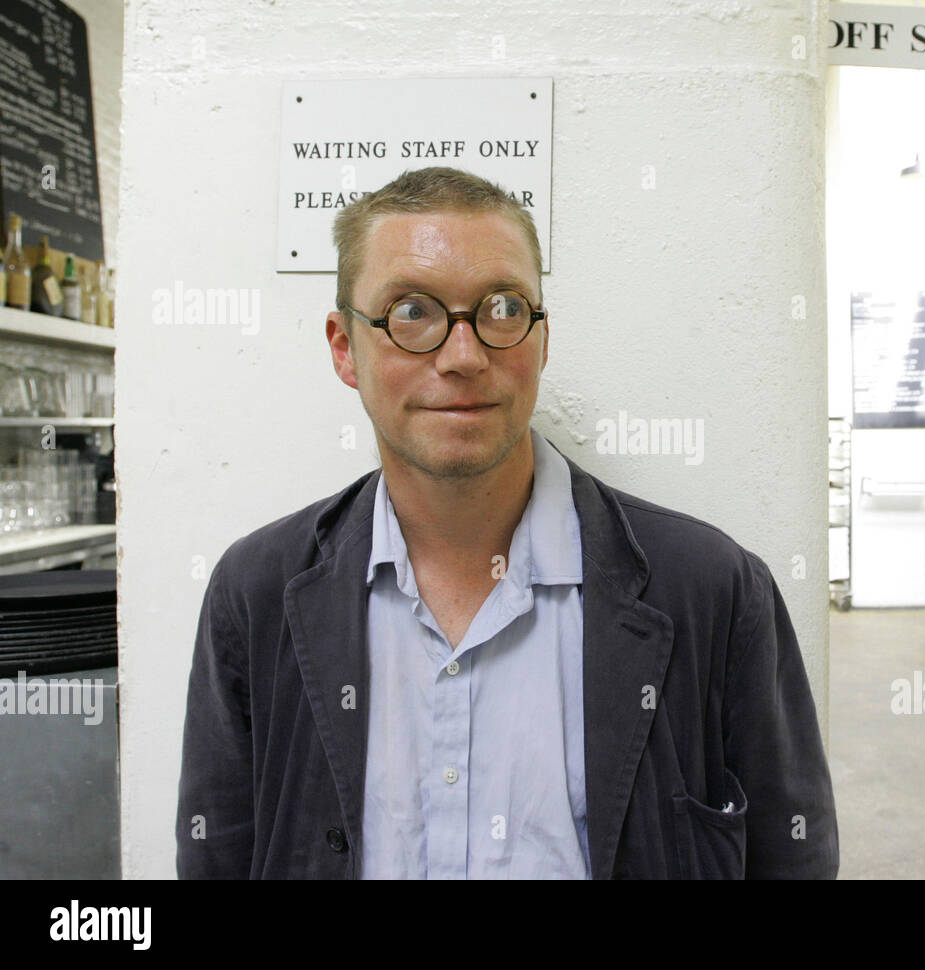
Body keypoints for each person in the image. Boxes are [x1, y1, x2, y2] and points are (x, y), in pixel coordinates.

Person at [175, 166, 838, 879]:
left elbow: (792, 859)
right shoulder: (256, 593)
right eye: (411, 312)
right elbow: (217, 859)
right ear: (344, 347)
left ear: (542, 340)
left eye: (501, 309)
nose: (464, 357)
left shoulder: (713, 590)